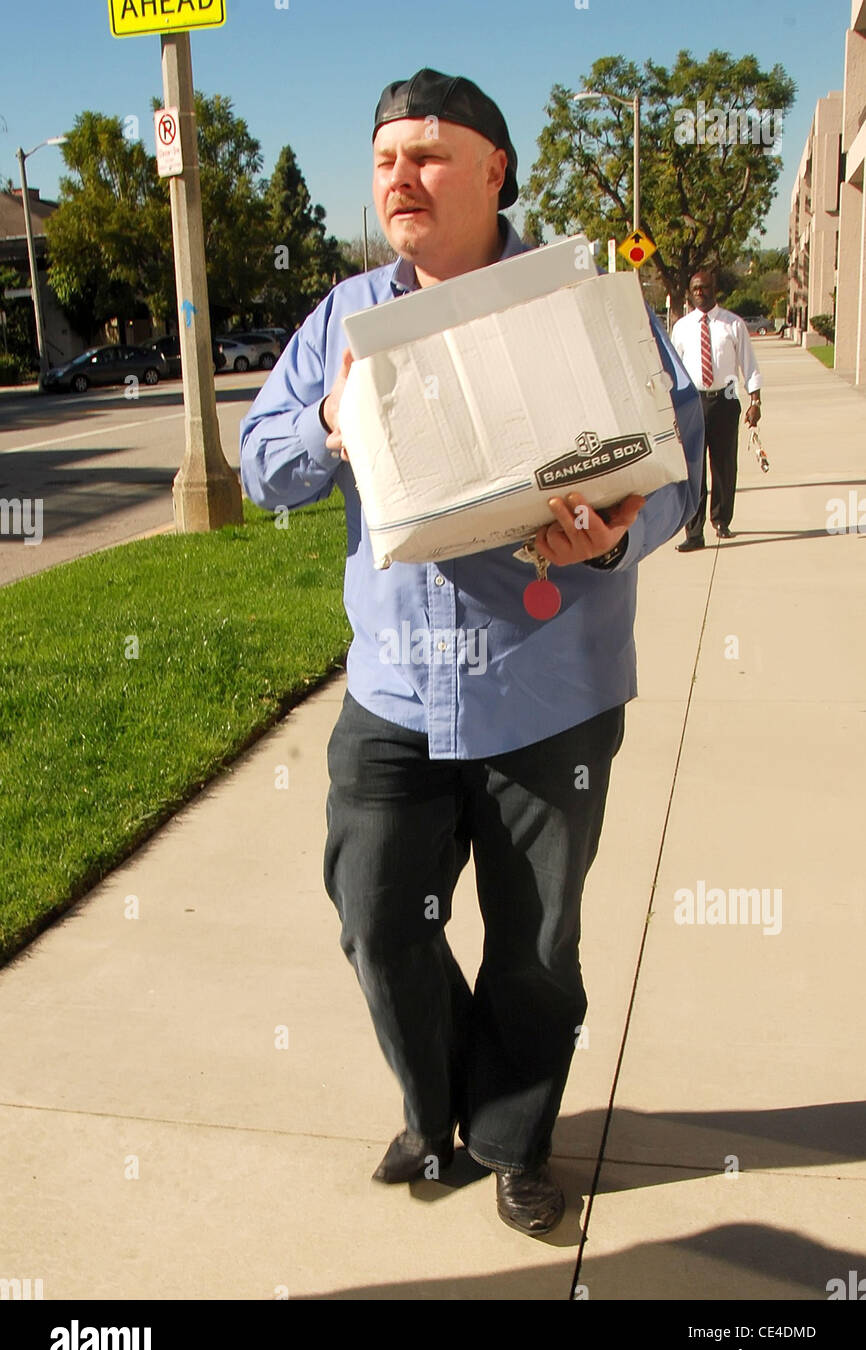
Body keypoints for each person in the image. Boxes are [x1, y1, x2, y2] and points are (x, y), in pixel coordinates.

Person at [239, 67, 703, 1236]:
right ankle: (433, 1102)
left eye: (429, 154)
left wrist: (609, 536)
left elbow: (677, 457)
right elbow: (257, 466)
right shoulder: (341, 321)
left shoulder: (586, 299)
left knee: (537, 942)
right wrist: (326, 426)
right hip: (392, 692)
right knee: (375, 911)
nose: (400, 174)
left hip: (550, 689)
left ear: (494, 170)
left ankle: (509, 1138)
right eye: (386, 155)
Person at [670, 269, 762, 550]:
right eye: (695, 288)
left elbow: (749, 364)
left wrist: (755, 402)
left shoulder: (733, 325)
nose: (700, 292)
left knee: (723, 464)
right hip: (692, 403)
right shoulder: (682, 327)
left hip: (725, 399)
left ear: (714, 289)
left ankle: (722, 520)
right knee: (693, 469)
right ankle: (694, 533)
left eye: (704, 287)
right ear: (690, 292)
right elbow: (673, 370)